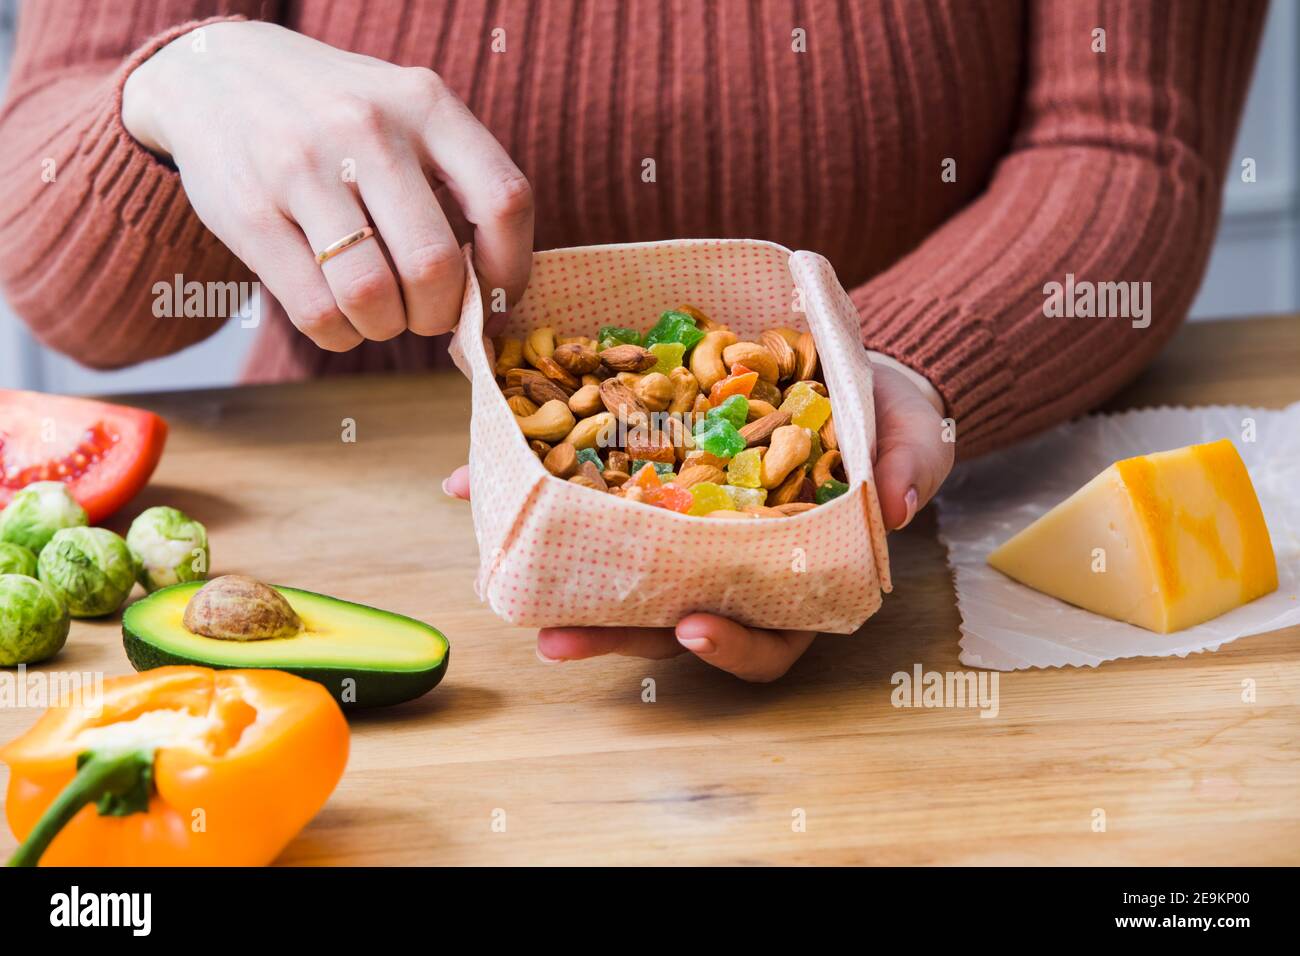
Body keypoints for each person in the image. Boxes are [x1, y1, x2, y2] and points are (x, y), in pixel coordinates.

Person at [0, 1, 1266, 680]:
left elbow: (1119, 150)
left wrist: (873, 384)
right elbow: (75, 300)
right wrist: (172, 84)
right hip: (358, 547)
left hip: (919, 542)